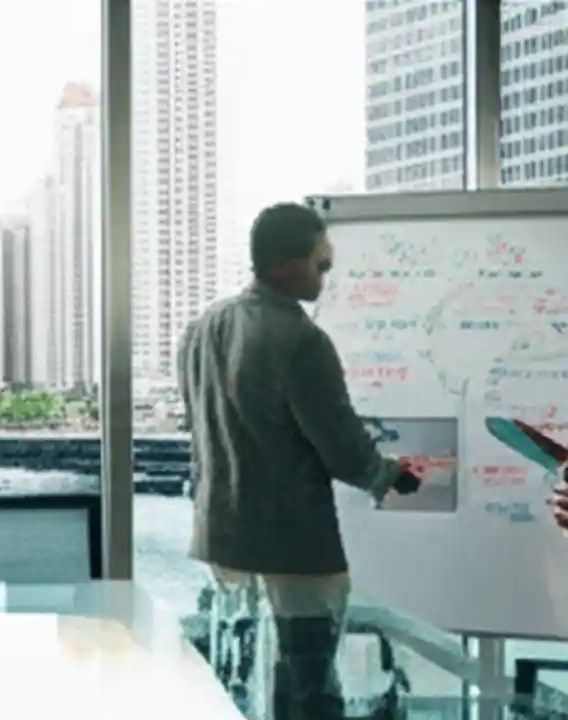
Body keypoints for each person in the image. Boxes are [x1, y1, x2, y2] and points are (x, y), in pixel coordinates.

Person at [177, 202, 422, 720]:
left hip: (223, 534)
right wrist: (390, 475)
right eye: (321, 265)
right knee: (309, 682)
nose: (325, 277)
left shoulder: (201, 330)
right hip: (292, 541)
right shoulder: (303, 341)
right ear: (283, 266)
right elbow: (339, 442)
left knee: (242, 681)